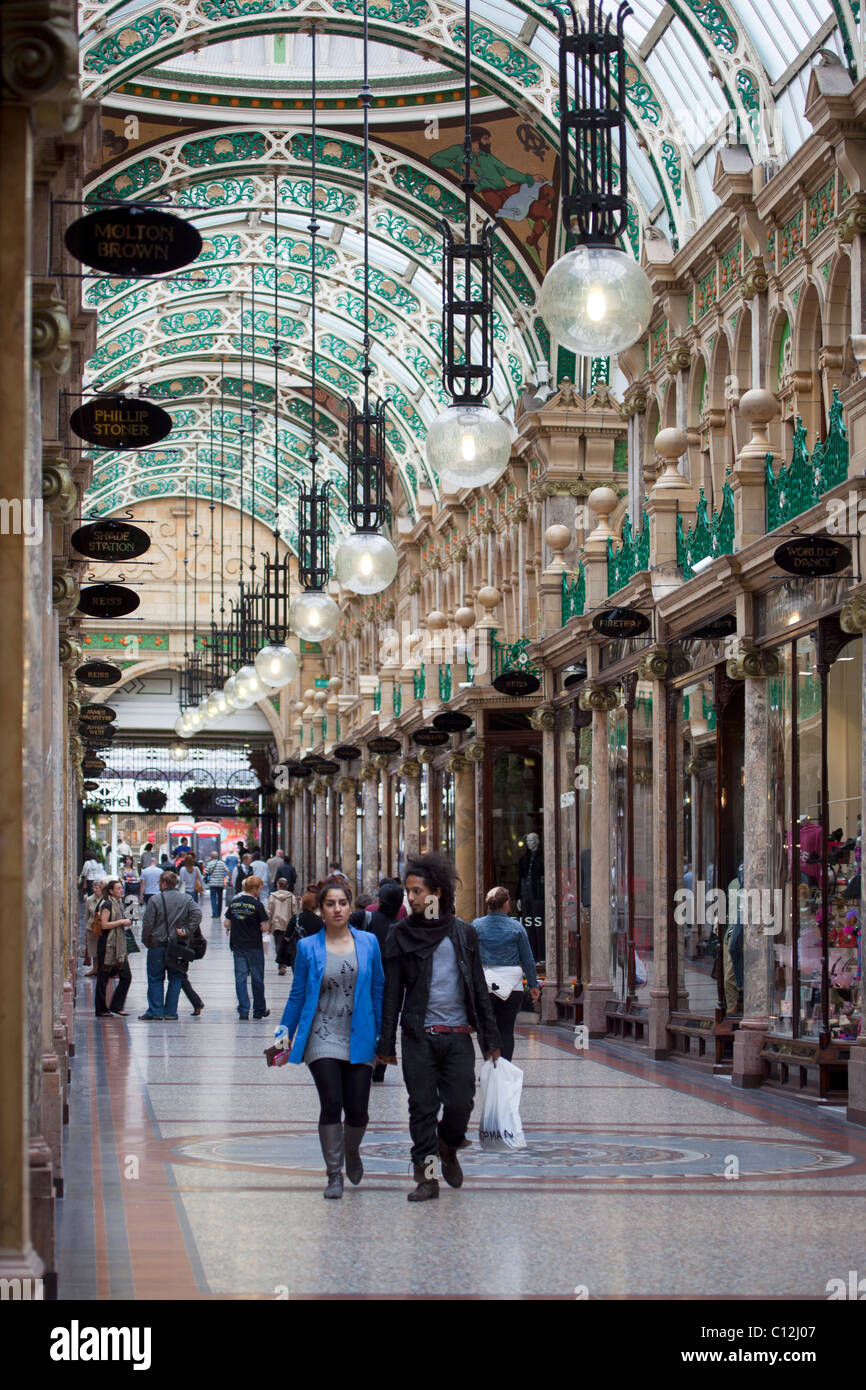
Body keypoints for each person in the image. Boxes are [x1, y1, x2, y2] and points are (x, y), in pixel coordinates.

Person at [376, 852, 500, 1202]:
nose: (411, 898)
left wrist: (491, 1039)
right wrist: (385, 1044)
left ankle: (448, 1144)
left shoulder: (464, 933)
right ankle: (427, 1179)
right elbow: (391, 993)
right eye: (408, 892)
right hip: (419, 1036)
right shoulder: (400, 934)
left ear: (437, 893)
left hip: (458, 1036)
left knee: (461, 1104)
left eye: (417, 891)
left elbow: (478, 988)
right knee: (422, 1108)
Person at [277, 877, 384, 1199]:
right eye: (330, 904)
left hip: (360, 1034)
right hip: (321, 1035)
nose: (337, 909)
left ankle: (351, 1150)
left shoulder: (369, 942)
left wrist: (383, 1034)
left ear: (350, 907)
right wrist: (283, 1034)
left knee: (358, 1111)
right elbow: (298, 995)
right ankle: (333, 1173)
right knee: (332, 1102)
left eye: (342, 903)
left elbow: (378, 988)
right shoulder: (308, 947)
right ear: (321, 910)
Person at [473, 886, 540, 1061]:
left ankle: (489, 1062)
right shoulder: (516, 927)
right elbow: (528, 959)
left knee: (485, 1026)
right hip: (512, 986)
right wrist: (533, 985)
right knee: (506, 1029)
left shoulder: (476, 926)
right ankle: (504, 1066)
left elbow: (470, 956)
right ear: (506, 905)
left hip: (485, 982)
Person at [140, 870, 203, 1020]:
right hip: (177, 946)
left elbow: (148, 923)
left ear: (163, 883)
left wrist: (146, 940)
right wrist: (187, 930)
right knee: (175, 978)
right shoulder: (186, 899)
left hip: (157, 944)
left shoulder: (155, 900)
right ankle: (170, 1012)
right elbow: (197, 914)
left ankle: (156, 1011)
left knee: (155, 978)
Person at [224, 874, 270, 1020]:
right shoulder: (257, 905)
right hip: (254, 945)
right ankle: (259, 1010)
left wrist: (237, 925)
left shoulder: (234, 903)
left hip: (237, 944)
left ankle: (243, 1010)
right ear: (254, 889)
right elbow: (265, 927)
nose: (260, 891)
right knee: (257, 978)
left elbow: (226, 923)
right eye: (260, 888)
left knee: (240, 978)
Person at [93, 880, 133, 1017]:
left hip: (119, 946)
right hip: (107, 945)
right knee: (103, 977)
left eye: (122, 888)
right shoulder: (108, 904)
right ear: (111, 891)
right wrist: (121, 922)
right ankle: (101, 1009)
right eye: (118, 888)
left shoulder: (119, 904)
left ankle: (116, 1005)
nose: (121, 890)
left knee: (126, 976)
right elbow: (104, 925)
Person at [268, 877, 299, 975]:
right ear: (287, 886)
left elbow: (269, 911)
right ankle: (284, 965)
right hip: (288, 925)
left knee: (278, 945)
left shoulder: (272, 896)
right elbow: (295, 912)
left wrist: (269, 925)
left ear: (277, 885)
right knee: (287, 945)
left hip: (276, 924)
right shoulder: (291, 897)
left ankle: (281, 965)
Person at [204, 851, 230, 918]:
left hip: (212, 884)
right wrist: (230, 878)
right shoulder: (222, 863)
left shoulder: (210, 863)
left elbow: (205, 873)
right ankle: (219, 913)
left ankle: (215, 913)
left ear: (211, 856)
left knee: (213, 898)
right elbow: (228, 871)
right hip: (220, 883)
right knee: (220, 898)